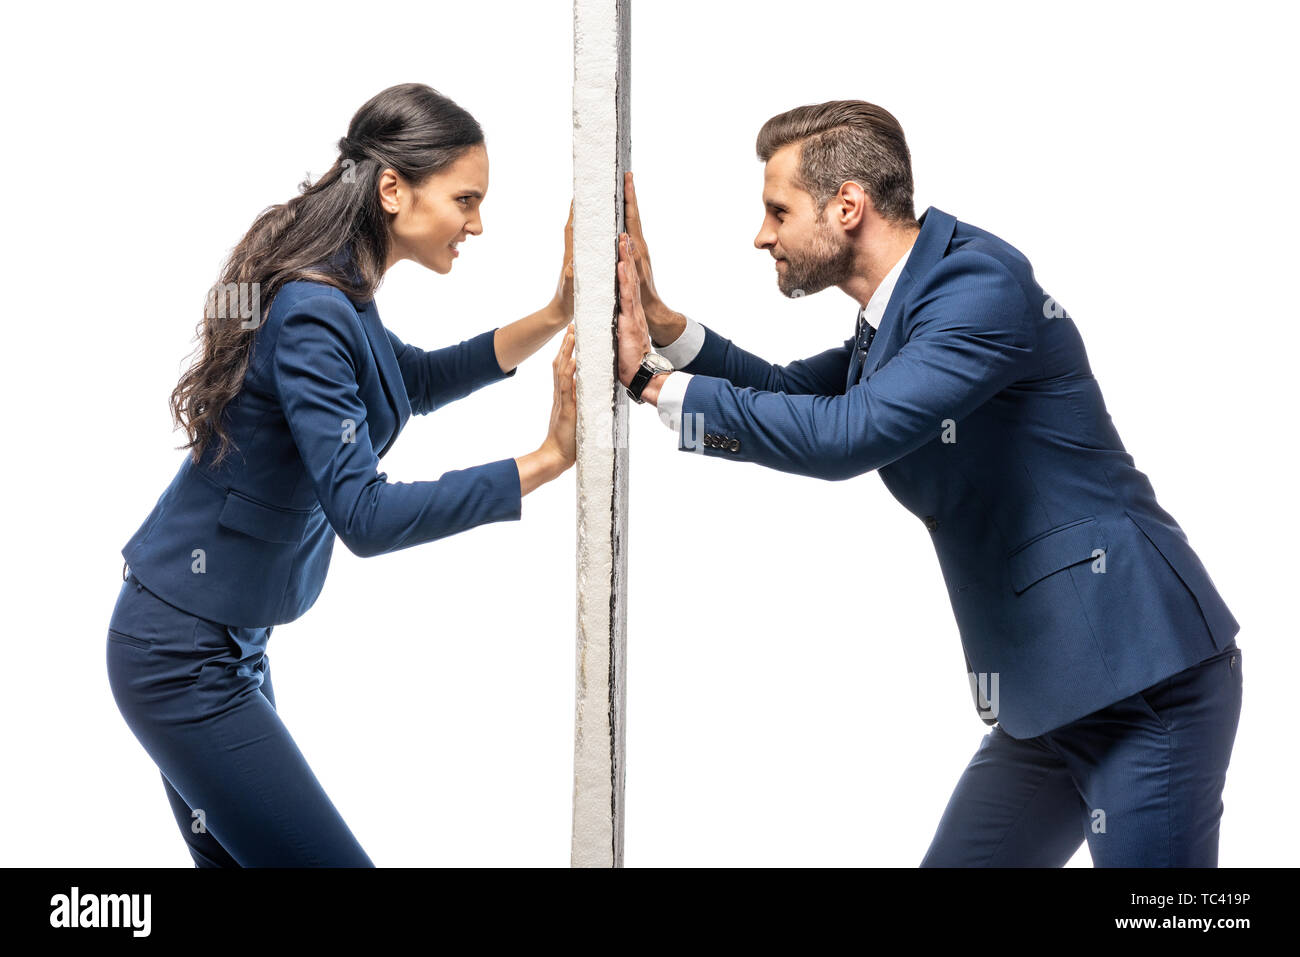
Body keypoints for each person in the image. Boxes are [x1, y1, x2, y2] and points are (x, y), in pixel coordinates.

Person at [613, 100, 1243, 867]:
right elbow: (795, 392)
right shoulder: (896, 313)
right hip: (1049, 699)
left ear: (848, 205)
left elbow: (846, 437)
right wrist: (663, 323)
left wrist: (651, 385)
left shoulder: (978, 285)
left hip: (1143, 678)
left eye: (777, 210)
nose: (762, 234)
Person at [106, 82, 577, 867]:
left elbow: (410, 381)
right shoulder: (314, 308)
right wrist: (542, 461)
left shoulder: (344, 291)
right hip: (179, 652)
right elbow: (365, 515)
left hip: (224, 641)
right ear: (394, 189)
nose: (477, 222)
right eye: (466, 198)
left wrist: (556, 311)